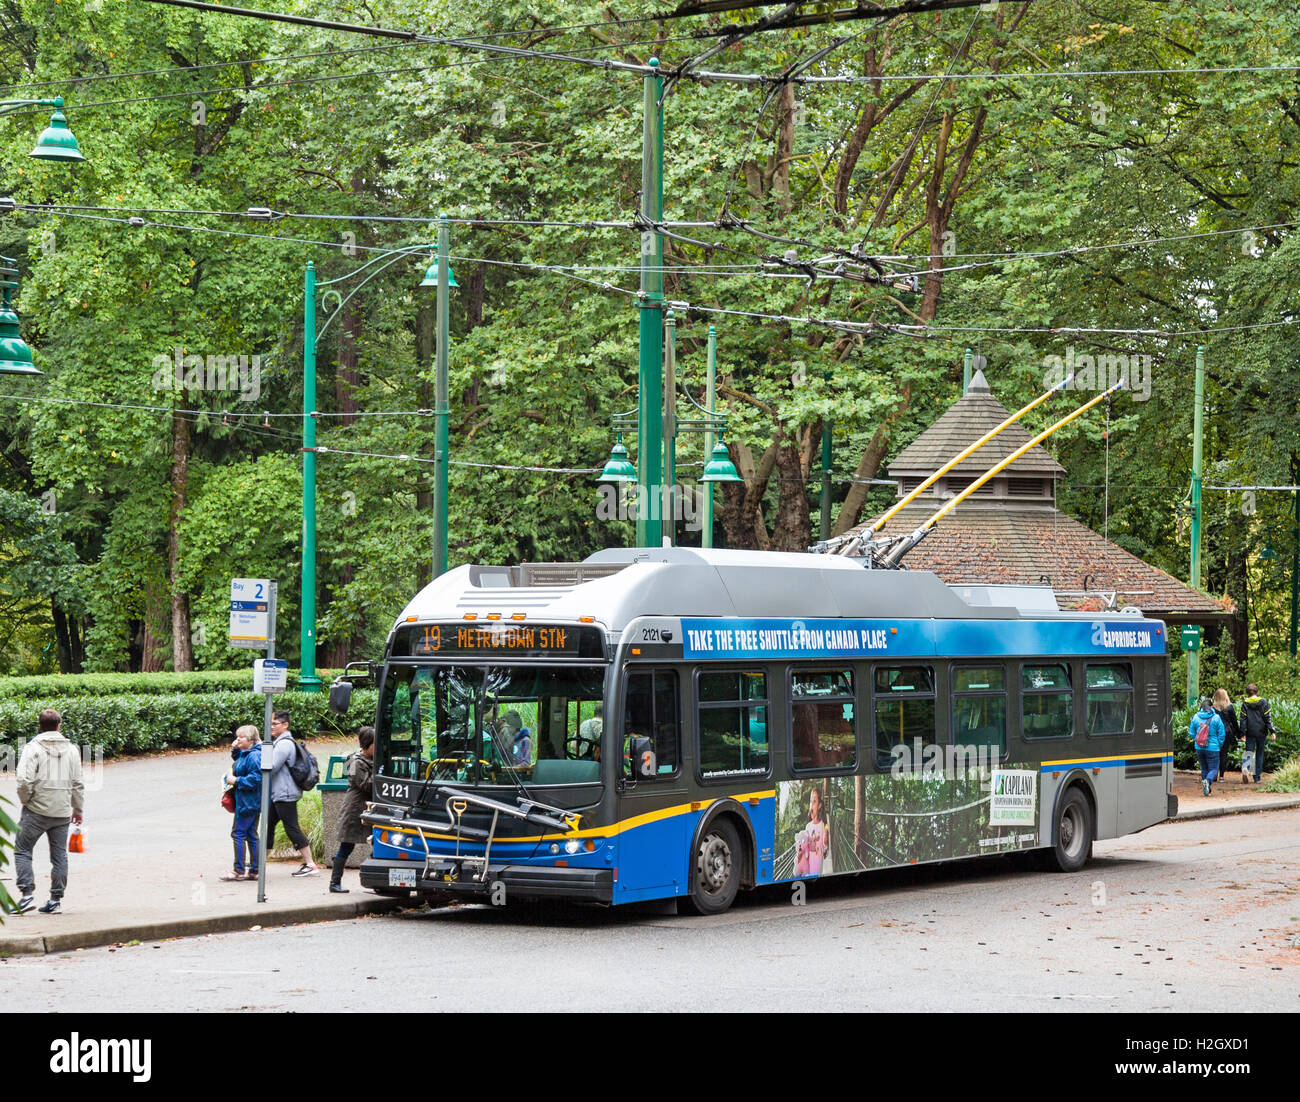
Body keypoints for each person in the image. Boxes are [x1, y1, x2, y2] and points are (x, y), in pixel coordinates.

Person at [11, 709, 84, 915]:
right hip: (62, 811)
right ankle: (55, 900)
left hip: (35, 810)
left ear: (39, 725)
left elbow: (24, 780)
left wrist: (27, 800)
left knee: (23, 850)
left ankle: (26, 896)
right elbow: (78, 783)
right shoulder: (72, 750)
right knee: (59, 855)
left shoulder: (32, 748)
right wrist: (77, 809)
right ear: (59, 725)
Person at [267, 709, 320, 876]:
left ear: (285, 725)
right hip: (279, 793)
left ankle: (310, 864)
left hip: (285, 794)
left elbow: (271, 767)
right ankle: (259, 864)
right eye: (270, 723)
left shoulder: (284, 744)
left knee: (292, 828)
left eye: (274, 724)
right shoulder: (281, 742)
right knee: (268, 827)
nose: (271, 727)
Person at [329, 726, 375, 894]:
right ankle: (334, 882)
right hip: (355, 810)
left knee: (377, 842)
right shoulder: (355, 762)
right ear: (367, 744)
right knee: (346, 846)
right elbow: (366, 785)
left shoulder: (365, 760)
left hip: (367, 809)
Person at [221, 725, 262, 881]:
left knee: (238, 833)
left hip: (248, 802)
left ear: (250, 740)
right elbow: (240, 762)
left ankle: (238, 870)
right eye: (237, 737)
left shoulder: (254, 756)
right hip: (249, 801)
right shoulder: (248, 753)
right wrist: (235, 750)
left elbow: (256, 779)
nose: (237, 739)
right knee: (251, 834)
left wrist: (236, 780)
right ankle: (254, 870)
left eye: (241, 737)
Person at [1239, 683, 1278, 784]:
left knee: (1249, 751)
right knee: (1260, 753)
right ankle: (1257, 778)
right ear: (1257, 692)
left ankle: (1246, 768)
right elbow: (1268, 718)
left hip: (1250, 731)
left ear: (1247, 693)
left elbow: (1243, 720)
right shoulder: (1264, 702)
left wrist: (1242, 733)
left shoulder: (1245, 704)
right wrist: (1272, 731)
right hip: (1261, 731)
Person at [1188, 697, 1226, 797]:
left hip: (1199, 748)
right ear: (1211, 707)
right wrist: (1219, 744)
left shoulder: (1196, 717)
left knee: (1204, 768)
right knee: (1213, 769)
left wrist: (1197, 740)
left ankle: (1207, 791)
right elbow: (1221, 734)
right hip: (1213, 748)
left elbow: (1191, 732)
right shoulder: (1216, 717)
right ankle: (1207, 781)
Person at [793, 787, 829, 877]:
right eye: (810, 802)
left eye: (814, 802)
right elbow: (804, 846)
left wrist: (825, 840)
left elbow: (825, 848)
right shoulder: (808, 826)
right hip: (807, 868)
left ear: (820, 805)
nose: (811, 805)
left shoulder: (823, 825)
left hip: (817, 868)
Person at [1212, 688, 1240, 778]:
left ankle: (1214, 774)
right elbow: (1234, 722)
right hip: (1227, 732)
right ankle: (1222, 776)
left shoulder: (1212, 708)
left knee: (1215, 754)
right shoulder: (1230, 707)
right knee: (1223, 754)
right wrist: (1239, 734)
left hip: (1214, 732)